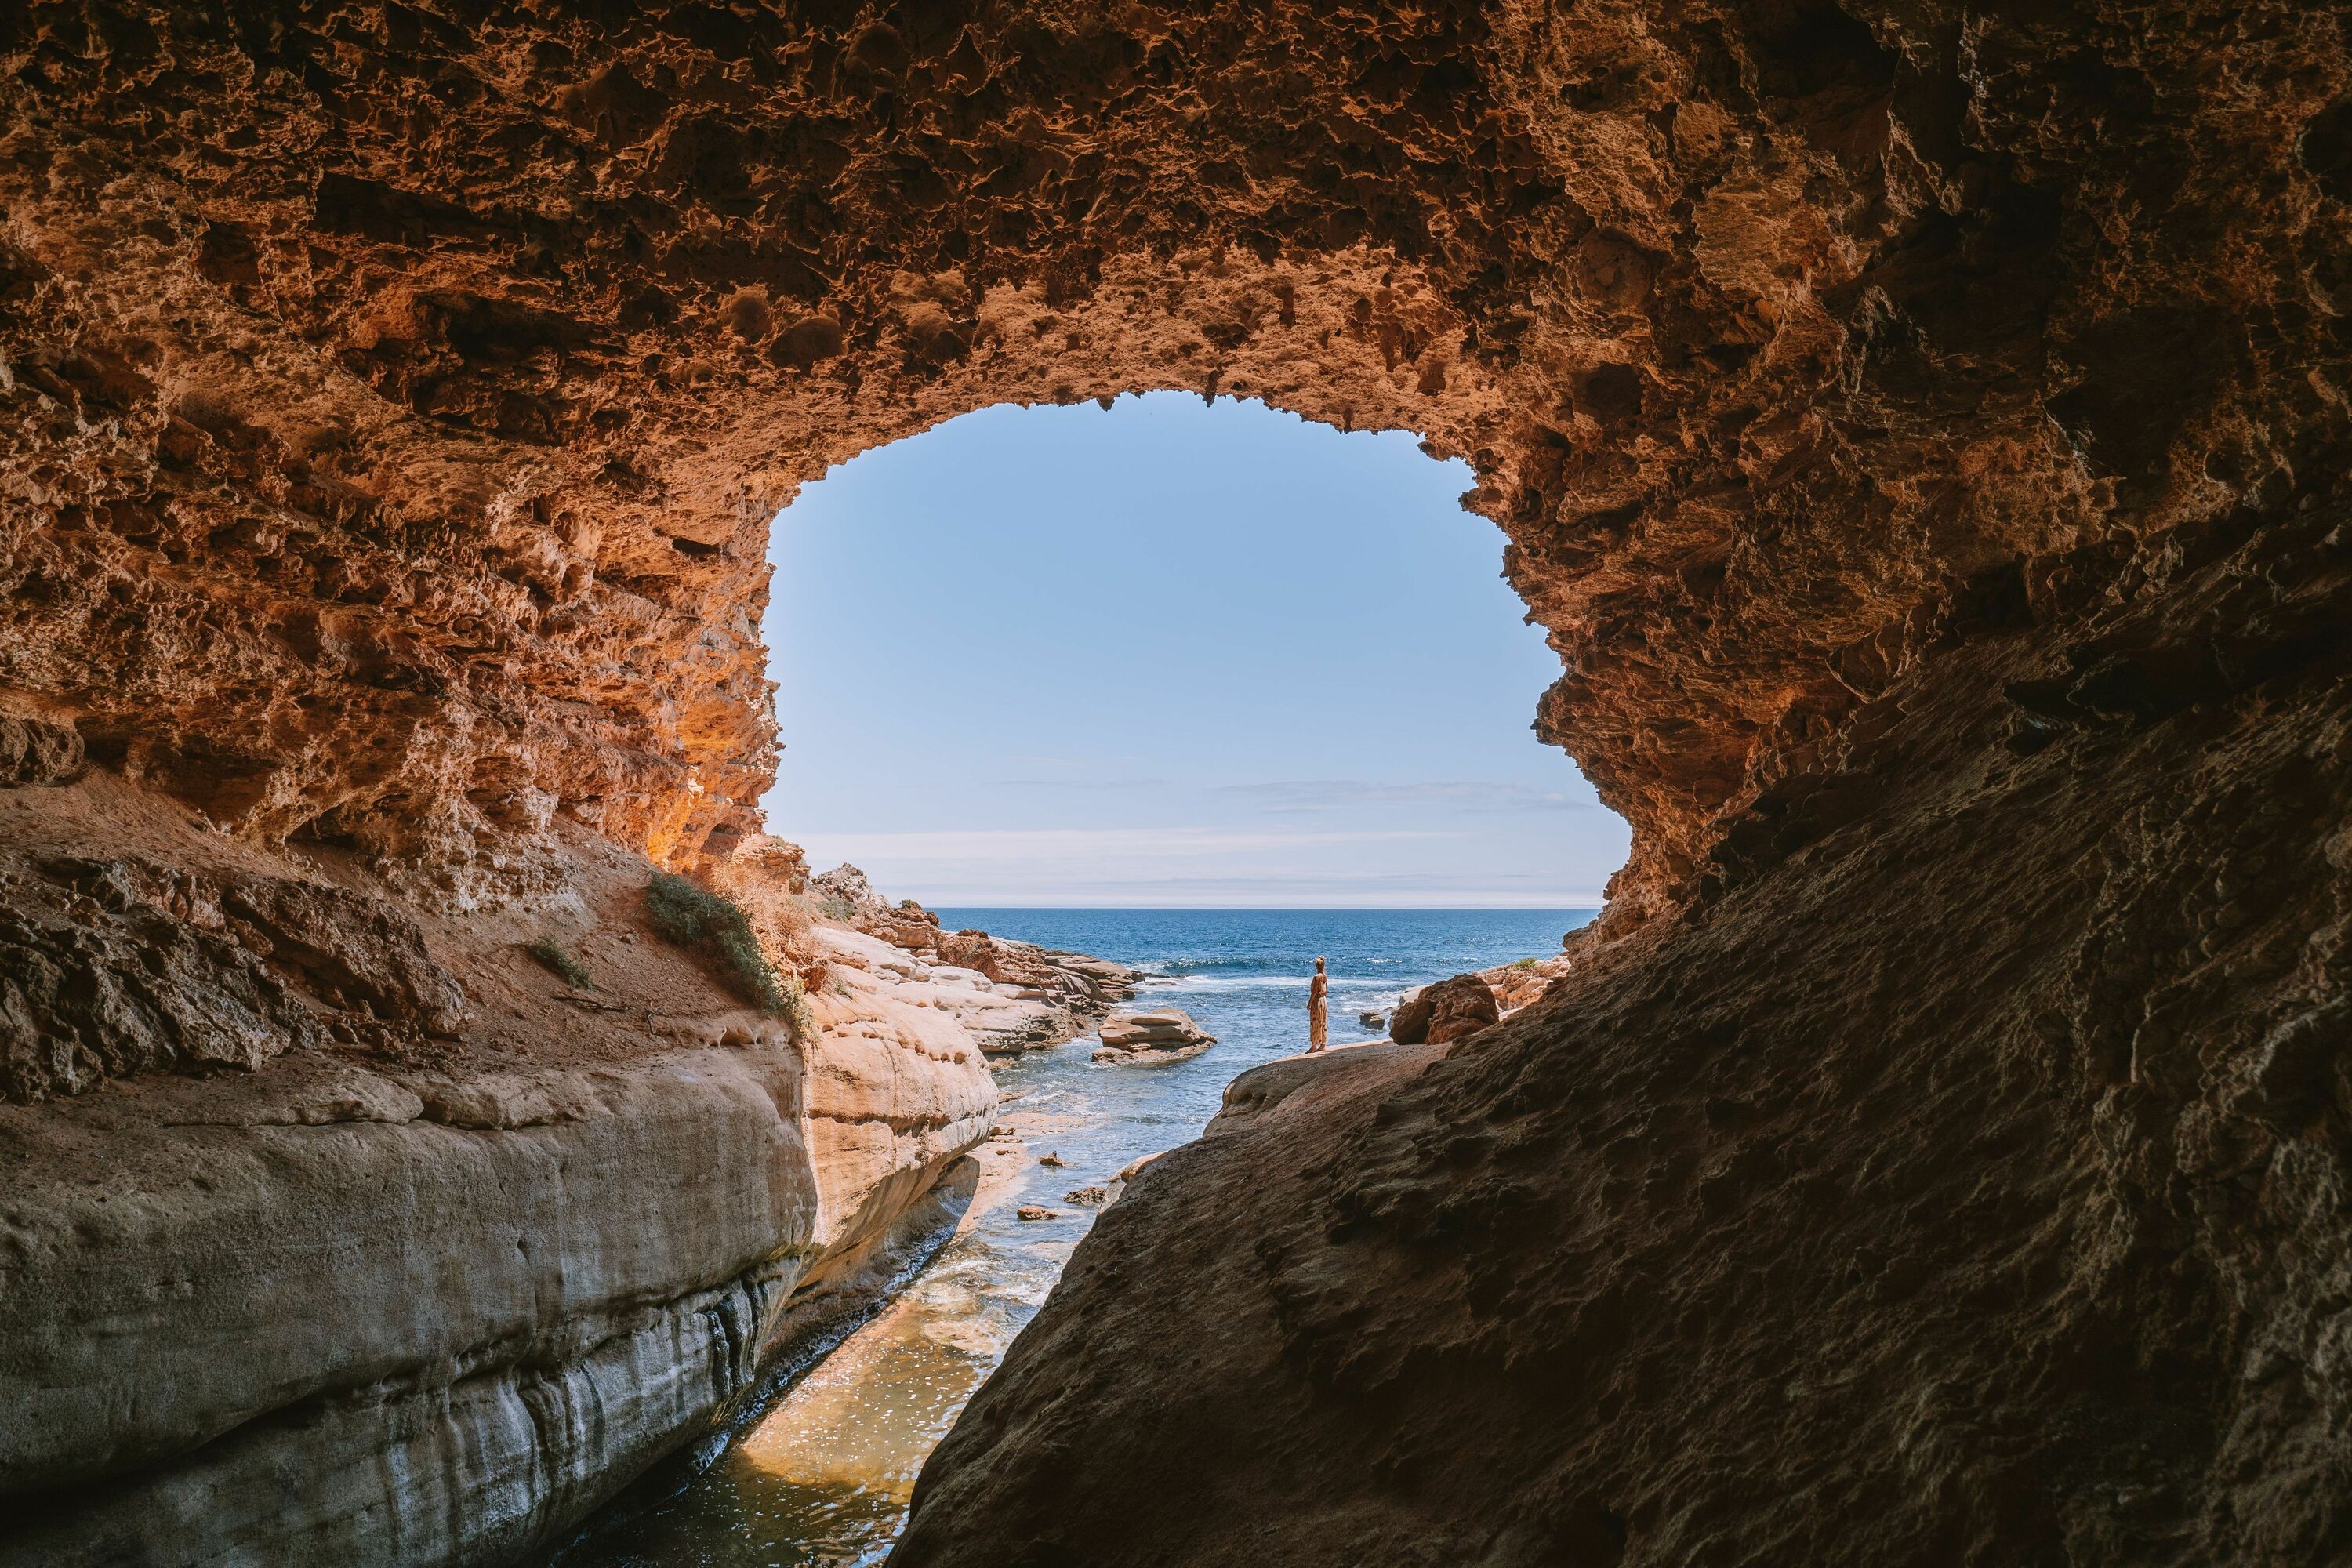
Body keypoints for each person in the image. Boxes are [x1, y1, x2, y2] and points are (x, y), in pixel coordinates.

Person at [1307, 955, 1328, 1052]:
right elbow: (1325, 991)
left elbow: (1314, 992)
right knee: (1323, 1022)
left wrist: (1309, 1003)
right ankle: (1323, 1044)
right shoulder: (1325, 976)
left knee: (1314, 1022)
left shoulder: (1316, 977)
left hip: (1317, 1001)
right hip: (1324, 1000)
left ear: (1316, 966)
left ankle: (1314, 1045)